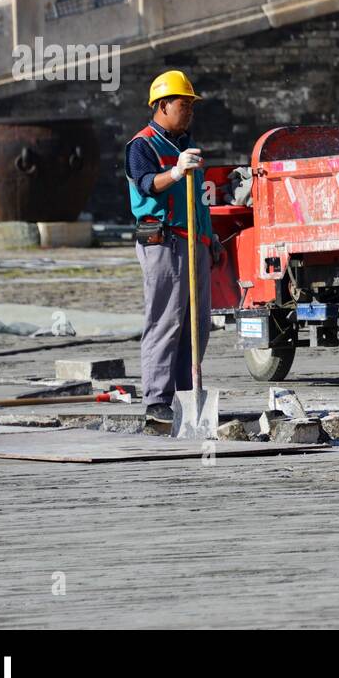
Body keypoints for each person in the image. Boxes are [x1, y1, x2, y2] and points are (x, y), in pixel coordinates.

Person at [125, 70, 222, 425]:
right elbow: (147, 184)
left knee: (197, 324)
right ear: (162, 105)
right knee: (165, 320)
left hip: (194, 243)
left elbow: (199, 201)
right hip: (162, 241)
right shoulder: (142, 145)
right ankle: (156, 400)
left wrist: (210, 240)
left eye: (192, 105)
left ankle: (186, 393)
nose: (190, 110)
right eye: (185, 104)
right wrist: (177, 173)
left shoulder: (185, 146)